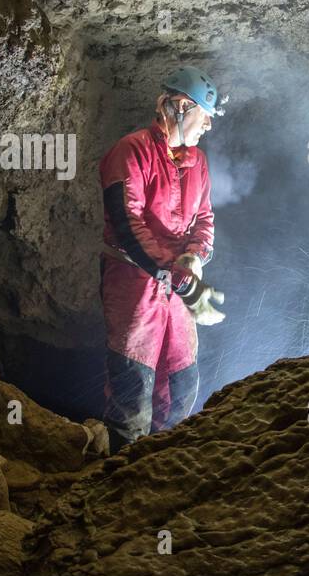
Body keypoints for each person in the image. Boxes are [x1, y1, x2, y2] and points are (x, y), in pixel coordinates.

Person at [97, 65, 226, 453]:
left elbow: (204, 219)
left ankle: (164, 465)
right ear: (183, 108)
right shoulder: (130, 151)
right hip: (134, 282)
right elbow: (127, 224)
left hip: (176, 287)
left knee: (182, 382)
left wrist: (194, 257)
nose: (207, 127)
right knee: (133, 386)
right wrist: (176, 275)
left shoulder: (197, 162)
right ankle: (120, 474)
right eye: (205, 117)